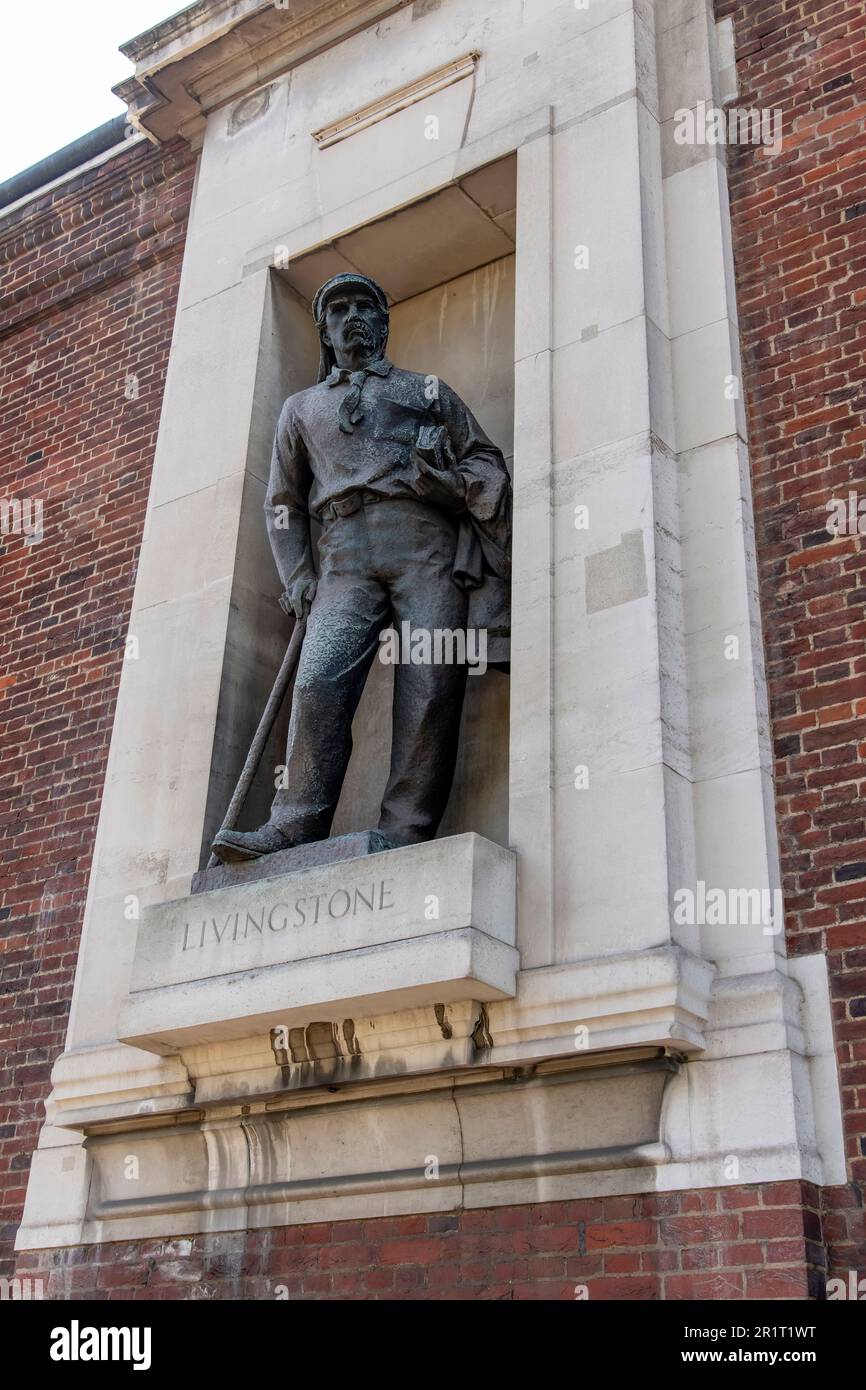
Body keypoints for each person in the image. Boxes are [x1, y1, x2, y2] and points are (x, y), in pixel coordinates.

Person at [211, 272, 511, 862]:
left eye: (364, 307)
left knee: (430, 683)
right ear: (324, 330)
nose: (352, 317)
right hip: (343, 555)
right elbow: (282, 503)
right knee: (317, 684)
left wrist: (451, 483)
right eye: (339, 309)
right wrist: (297, 575)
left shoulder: (426, 391)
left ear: (383, 322)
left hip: (424, 545)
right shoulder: (300, 409)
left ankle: (406, 827)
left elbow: (485, 462)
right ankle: (293, 823)